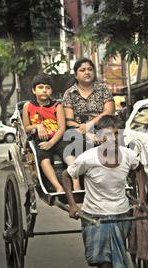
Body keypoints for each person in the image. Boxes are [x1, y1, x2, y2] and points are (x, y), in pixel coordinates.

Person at [62, 115, 146, 268]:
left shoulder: (128, 155)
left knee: (113, 262)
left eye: (115, 135)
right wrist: (72, 205)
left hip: (121, 215)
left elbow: (140, 170)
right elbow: (66, 175)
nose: (112, 140)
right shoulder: (88, 158)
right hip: (95, 217)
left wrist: (142, 197)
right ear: (99, 137)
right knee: (105, 267)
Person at [62, 57, 116, 190]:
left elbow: (109, 111)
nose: (87, 72)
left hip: (103, 126)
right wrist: (86, 132)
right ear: (76, 75)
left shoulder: (103, 89)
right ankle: (80, 181)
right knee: (80, 142)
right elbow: (69, 120)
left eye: (90, 69)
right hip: (77, 130)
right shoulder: (69, 93)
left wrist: (91, 124)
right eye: (82, 70)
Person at [22, 74, 74, 193]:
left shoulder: (57, 106)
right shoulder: (28, 106)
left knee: (70, 156)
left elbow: (61, 128)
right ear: (34, 90)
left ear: (51, 91)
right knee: (43, 159)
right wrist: (37, 126)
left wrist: (51, 142)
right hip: (41, 140)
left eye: (47, 87)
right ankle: (58, 186)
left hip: (57, 138)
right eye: (40, 87)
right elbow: (26, 128)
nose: (44, 90)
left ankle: (76, 184)